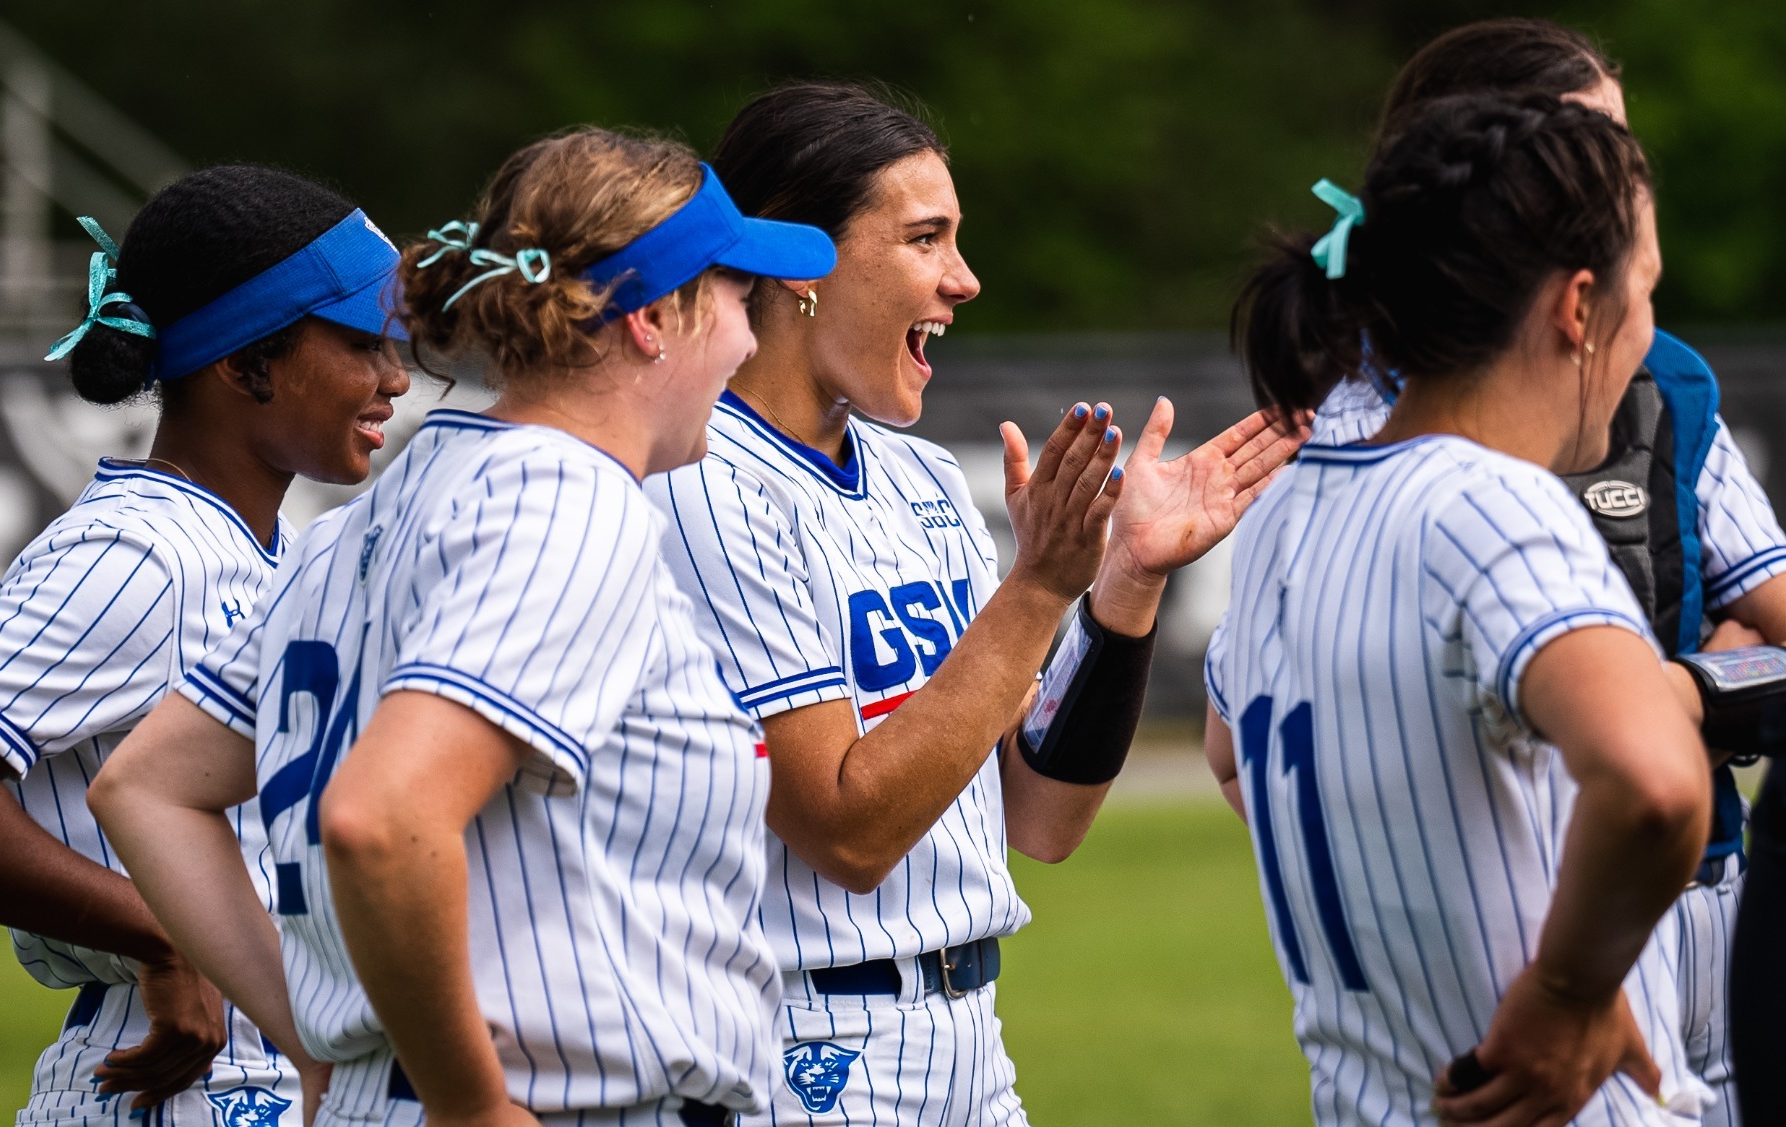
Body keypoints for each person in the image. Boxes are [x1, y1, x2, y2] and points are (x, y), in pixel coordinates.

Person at [88, 127, 839, 1127]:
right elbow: (382, 815)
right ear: (656, 315)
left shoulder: (369, 518)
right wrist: (469, 1100)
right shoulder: (567, 498)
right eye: (740, 294)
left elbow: (146, 785)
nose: (751, 336)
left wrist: (314, 1040)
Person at [648, 81, 1305, 1125]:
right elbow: (848, 831)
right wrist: (1038, 585)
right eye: (924, 238)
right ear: (795, 259)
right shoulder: (698, 483)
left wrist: (1122, 581)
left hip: (968, 1041)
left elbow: (1040, 817)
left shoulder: (917, 479)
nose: (963, 278)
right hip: (803, 1053)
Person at [1231, 21, 1786, 1125]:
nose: (1648, 337)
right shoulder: (1487, 501)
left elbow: (1225, 754)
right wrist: (1568, 987)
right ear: (1575, 307)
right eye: (1640, 294)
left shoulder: (1286, 502)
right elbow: (1656, 779)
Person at [0, 165, 411, 1124]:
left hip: (278, 1071)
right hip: (175, 1078)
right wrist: (165, 935)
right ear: (242, 361)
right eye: (357, 342)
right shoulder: (139, 551)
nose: (392, 376)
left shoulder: (283, 550)